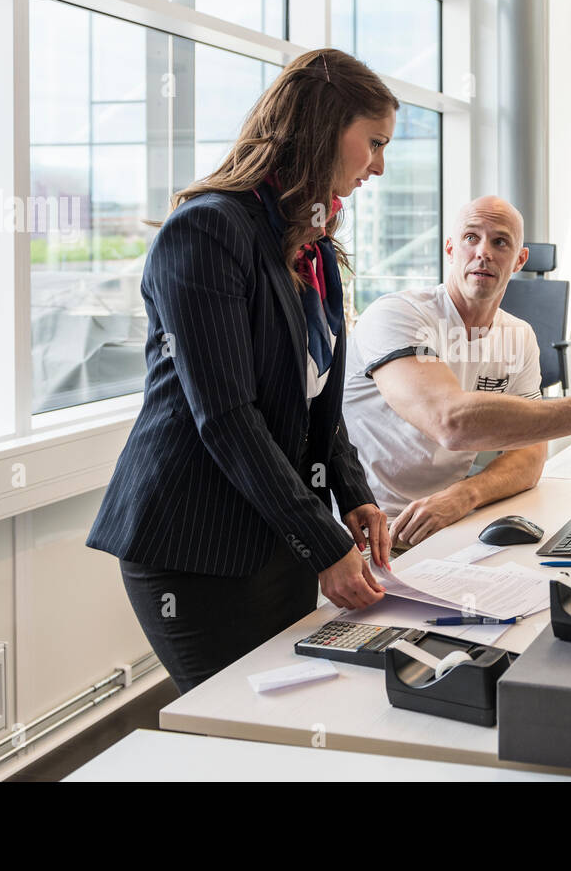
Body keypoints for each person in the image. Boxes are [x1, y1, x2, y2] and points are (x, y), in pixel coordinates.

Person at [87, 49, 395, 693]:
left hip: (277, 534)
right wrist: (322, 538)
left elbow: (316, 398)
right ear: (325, 127)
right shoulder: (206, 230)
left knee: (290, 713)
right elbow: (226, 416)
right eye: (373, 143)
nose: (379, 166)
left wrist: (353, 492)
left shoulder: (311, 245)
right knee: (239, 726)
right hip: (194, 546)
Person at [342, 194, 571, 548]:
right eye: (471, 238)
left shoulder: (518, 335)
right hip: (373, 532)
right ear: (450, 249)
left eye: (500, 242)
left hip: (449, 523)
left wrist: (465, 495)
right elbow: (450, 422)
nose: (483, 252)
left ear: (519, 259)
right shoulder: (397, 315)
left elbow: (531, 454)